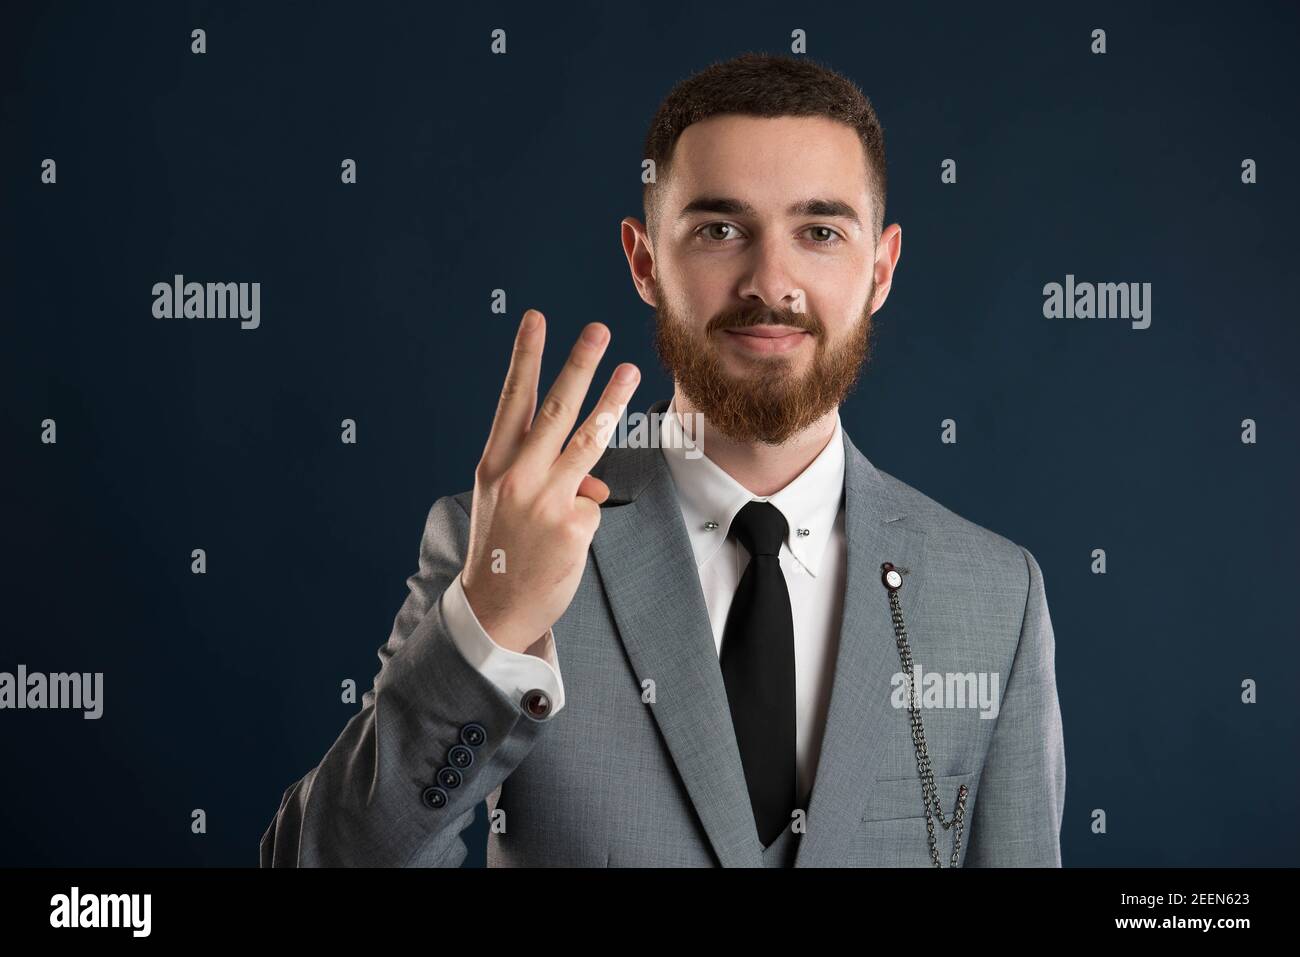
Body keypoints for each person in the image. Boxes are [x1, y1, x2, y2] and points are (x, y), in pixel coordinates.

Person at [260, 51, 1065, 868]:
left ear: (881, 268)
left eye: (819, 232)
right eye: (720, 230)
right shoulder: (496, 544)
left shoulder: (997, 596)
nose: (770, 281)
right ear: (645, 261)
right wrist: (489, 625)